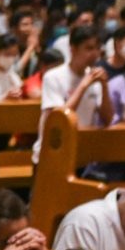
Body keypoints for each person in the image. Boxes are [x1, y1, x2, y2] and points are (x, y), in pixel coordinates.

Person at [36, 28, 112, 158]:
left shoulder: (95, 78)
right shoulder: (53, 76)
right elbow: (60, 120)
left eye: (98, 49)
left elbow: (107, 119)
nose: (95, 54)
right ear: (73, 49)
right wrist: (83, 85)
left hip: (83, 151)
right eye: (89, 48)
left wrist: (104, 87)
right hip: (52, 152)